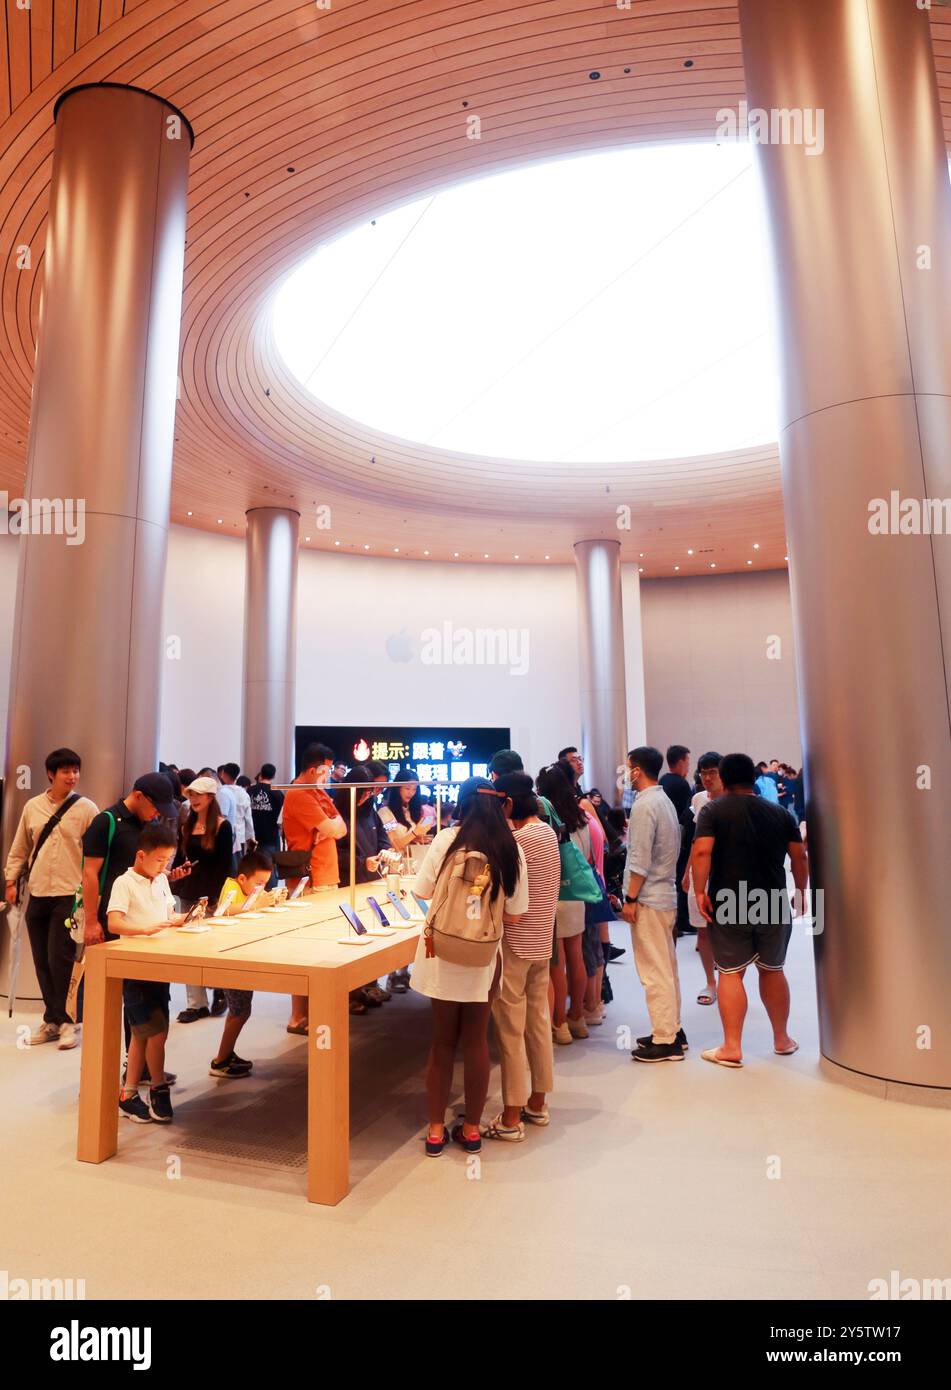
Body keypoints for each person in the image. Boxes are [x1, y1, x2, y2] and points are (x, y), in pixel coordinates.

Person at [411, 777, 528, 1157]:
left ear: (460, 803)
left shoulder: (446, 840)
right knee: (477, 1039)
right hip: (482, 957)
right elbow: (516, 912)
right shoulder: (510, 848)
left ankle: (433, 1131)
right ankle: (473, 1130)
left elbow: (422, 892)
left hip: (441, 952)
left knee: (442, 1040)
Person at [690, 753, 809, 1068]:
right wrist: (801, 892)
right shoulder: (780, 813)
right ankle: (782, 1039)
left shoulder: (713, 811)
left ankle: (732, 1047)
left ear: (724, 780)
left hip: (729, 900)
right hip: (771, 900)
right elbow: (799, 857)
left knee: (730, 972)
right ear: (754, 779)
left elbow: (702, 850)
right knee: (772, 969)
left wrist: (699, 891)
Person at [482, 773, 559, 1141]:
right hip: (542, 940)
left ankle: (511, 1118)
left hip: (514, 943)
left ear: (508, 803)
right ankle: (538, 1103)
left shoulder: (516, 841)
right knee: (537, 1021)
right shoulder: (547, 833)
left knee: (511, 1028)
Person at [3, 748, 98, 1048]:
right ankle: (52, 1019)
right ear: (51, 774)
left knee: (62, 958)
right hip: (39, 891)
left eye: (75, 771)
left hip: (70, 894)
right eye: (66, 771)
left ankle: (69, 1021)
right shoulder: (33, 807)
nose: (72, 777)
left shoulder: (86, 808)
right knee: (42, 959)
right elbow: (21, 846)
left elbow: (96, 856)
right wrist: (10, 881)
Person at [109, 823, 199, 1123]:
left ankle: (129, 1092)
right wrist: (144, 929)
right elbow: (114, 923)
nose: (164, 866)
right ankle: (157, 1087)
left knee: (143, 1033)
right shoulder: (125, 882)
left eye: (167, 861)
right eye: (159, 860)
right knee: (153, 1031)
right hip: (135, 965)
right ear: (140, 855)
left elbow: (167, 913)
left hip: (161, 962)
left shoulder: (161, 880)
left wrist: (183, 919)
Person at [622, 746, 685, 1063]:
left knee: (654, 969)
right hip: (665, 894)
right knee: (667, 966)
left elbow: (639, 859)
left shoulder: (645, 805)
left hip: (648, 897)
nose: (625, 772)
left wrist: (630, 898)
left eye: (627, 766)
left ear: (636, 770)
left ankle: (665, 1039)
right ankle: (672, 1029)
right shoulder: (664, 801)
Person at [283, 743, 346, 1032]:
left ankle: (311, 1011)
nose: (328, 776)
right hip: (311, 878)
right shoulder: (300, 795)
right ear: (312, 769)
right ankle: (299, 1015)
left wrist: (330, 826)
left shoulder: (317, 792)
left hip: (325, 874)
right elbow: (335, 829)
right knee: (309, 947)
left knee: (321, 946)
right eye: (325, 771)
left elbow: (341, 827)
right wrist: (329, 827)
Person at [208, 848, 285, 1077]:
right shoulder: (232, 887)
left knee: (242, 1009)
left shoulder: (249, 891)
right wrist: (255, 904)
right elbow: (223, 911)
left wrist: (270, 900)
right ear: (242, 878)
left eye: (266, 882)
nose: (262, 887)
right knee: (239, 1011)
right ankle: (221, 1060)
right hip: (230, 958)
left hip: (243, 955)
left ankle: (226, 1054)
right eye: (259, 882)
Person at [536, 761, 591, 1045]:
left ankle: (559, 1025)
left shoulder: (546, 817)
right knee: (576, 957)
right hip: (576, 896)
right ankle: (577, 1018)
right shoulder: (581, 817)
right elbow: (589, 857)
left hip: (553, 897)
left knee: (555, 966)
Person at [175, 776, 235, 1023]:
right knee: (189, 948)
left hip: (211, 895)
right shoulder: (185, 827)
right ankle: (196, 1004)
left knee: (212, 947)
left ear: (211, 797)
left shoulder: (222, 826)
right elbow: (180, 859)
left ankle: (221, 990)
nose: (194, 799)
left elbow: (225, 866)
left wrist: (217, 899)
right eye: (191, 794)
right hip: (189, 892)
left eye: (199, 794)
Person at [333, 765, 392, 1011]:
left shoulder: (370, 811)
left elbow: (383, 840)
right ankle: (349, 994)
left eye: (372, 792)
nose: (369, 796)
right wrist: (360, 863)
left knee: (369, 937)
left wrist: (384, 852)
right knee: (351, 939)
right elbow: (333, 852)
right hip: (347, 885)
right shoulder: (339, 813)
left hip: (372, 882)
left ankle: (366, 987)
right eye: (366, 792)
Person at [378, 769, 433, 993]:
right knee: (397, 918)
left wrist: (422, 835)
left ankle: (405, 970)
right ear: (396, 787)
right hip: (395, 871)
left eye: (414, 788)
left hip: (416, 867)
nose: (411, 792)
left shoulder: (416, 809)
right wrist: (415, 831)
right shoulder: (385, 812)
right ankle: (394, 972)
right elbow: (396, 841)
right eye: (406, 787)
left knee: (415, 918)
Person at [680, 752, 724, 1007]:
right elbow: (697, 840)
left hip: (728, 873)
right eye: (703, 772)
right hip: (701, 873)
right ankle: (711, 981)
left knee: (728, 932)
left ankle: (731, 980)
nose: (707, 778)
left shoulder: (732, 800)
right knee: (703, 932)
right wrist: (687, 872)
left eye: (712, 772)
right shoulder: (698, 799)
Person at [660, 744, 693, 938]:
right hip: (680, 839)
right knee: (683, 875)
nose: (689, 765)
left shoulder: (663, 780)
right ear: (680, 761)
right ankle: (683, 920)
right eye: (688, 760)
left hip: (667, 839)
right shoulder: (681, 784)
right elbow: (685, 815)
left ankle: (678, 921)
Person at [249, 763, 284, 887]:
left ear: (261, 773)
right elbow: (281, 818)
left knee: (252, 868)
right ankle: (270, 896)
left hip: (251, 836)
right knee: (269, 868)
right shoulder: (277, 793)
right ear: (273, 775)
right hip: (270, 836)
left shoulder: (250, 790)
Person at [218, 763, 254, 858]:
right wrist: (251, 836)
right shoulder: (244, 793)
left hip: (225, 836)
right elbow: (248, 818)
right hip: (240, 836)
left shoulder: (221, 792)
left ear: (223, 774)